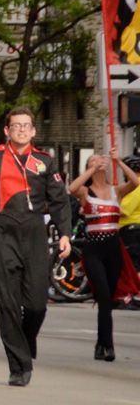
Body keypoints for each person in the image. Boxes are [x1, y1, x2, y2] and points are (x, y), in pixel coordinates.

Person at [0, 107, 71, 387]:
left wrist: (65, 234)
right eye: (16, 126)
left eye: (26, 125)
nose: (22, 130)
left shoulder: (44, 161)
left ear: (34, 131)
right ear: (7, 130)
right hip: (0, 232)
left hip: (34, 232)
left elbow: (60, 201)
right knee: (8, 303)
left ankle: (25, 341)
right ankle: (18, 366)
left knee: (37, 304)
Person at [67, 152, 138, 362]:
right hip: (93, 248)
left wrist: (119, 163)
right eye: (93, 160)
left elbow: (135, 182)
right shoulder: (85, 192)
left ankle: (102, 343)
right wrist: (91, 168)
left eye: (101, 161)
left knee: (108, 299)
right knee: (104, 295)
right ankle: (107, 345)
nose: (99, 163)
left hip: (113, 248)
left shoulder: (116, 190)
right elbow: (71, 189)